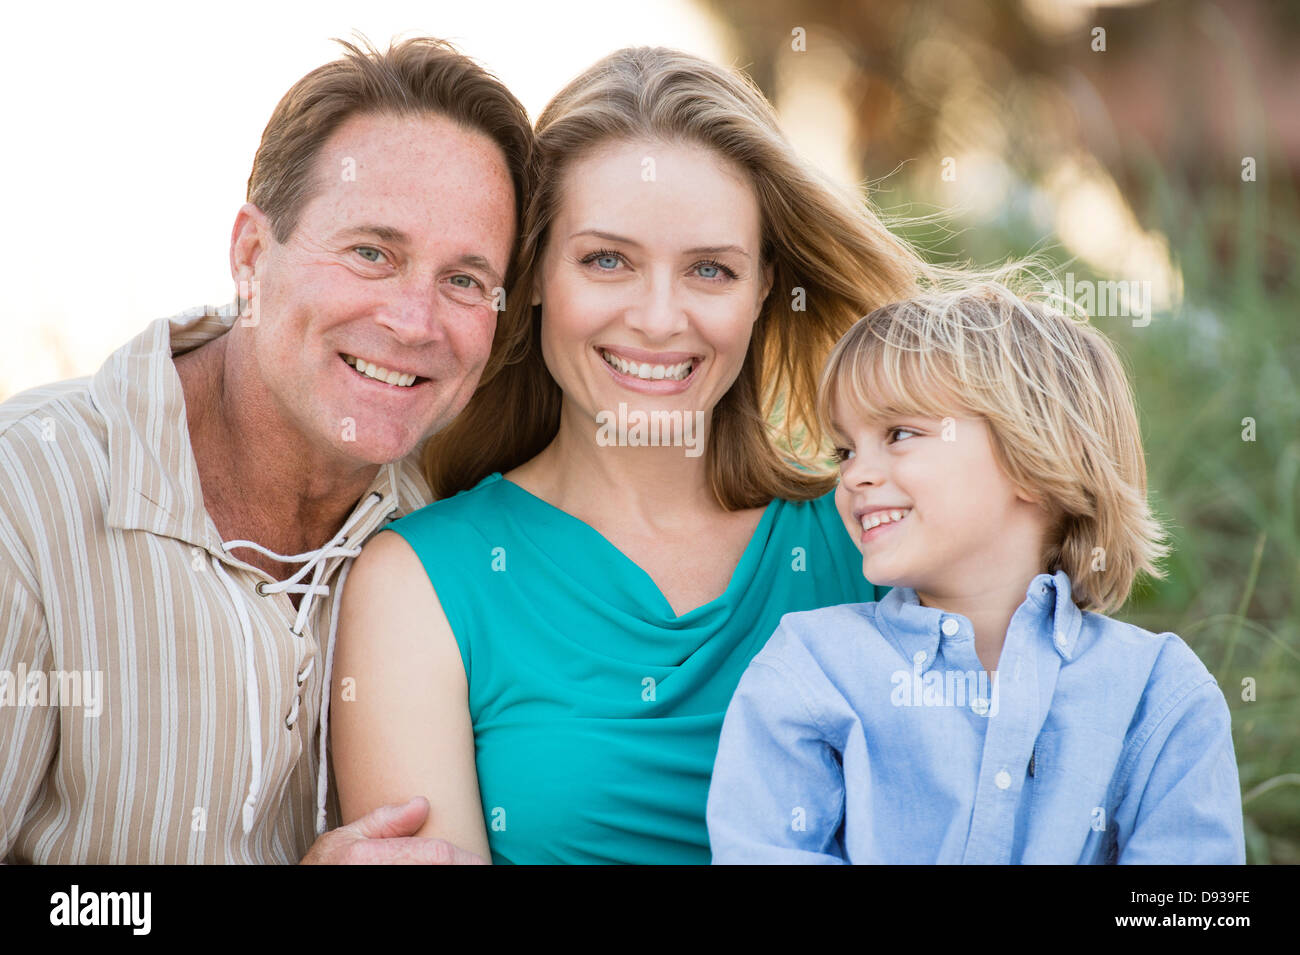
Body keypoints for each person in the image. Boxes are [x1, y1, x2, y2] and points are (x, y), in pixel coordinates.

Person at [331, 46, 944, 864]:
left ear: (764, 287)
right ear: (537, 271)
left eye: (710, 270)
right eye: (607, 260)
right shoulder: (419, 584)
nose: (659, 319)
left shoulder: (875, 537)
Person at [0, 36, 533, 863]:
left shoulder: (458, 538)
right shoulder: (26, 497)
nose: (414, 321)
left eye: (464, 279)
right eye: (371, 253)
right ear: (252, 254)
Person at [705, 281, 1246, 863]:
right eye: (845, 450)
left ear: (1036, 460)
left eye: (899, 434)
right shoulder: (811, 668)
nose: (855, 475)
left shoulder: (1158, 692)